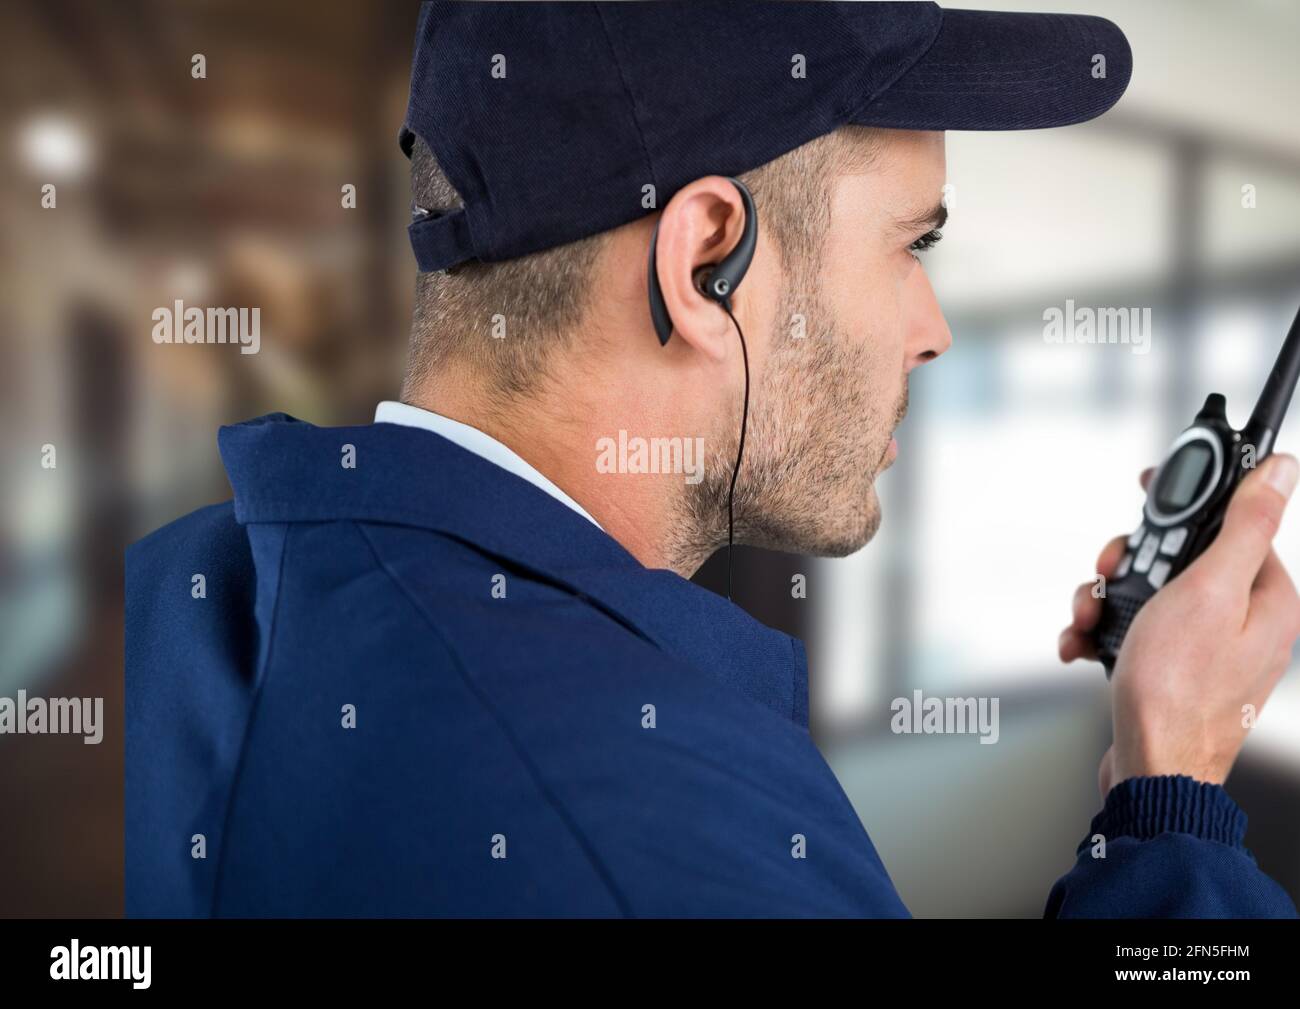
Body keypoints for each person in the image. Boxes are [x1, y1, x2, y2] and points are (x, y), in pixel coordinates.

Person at [126, 0, 1299, 917]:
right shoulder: (668, 835)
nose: (933, 327)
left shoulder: (180, 596)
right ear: (706, 264)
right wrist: (1176, 790)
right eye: (912, 243)